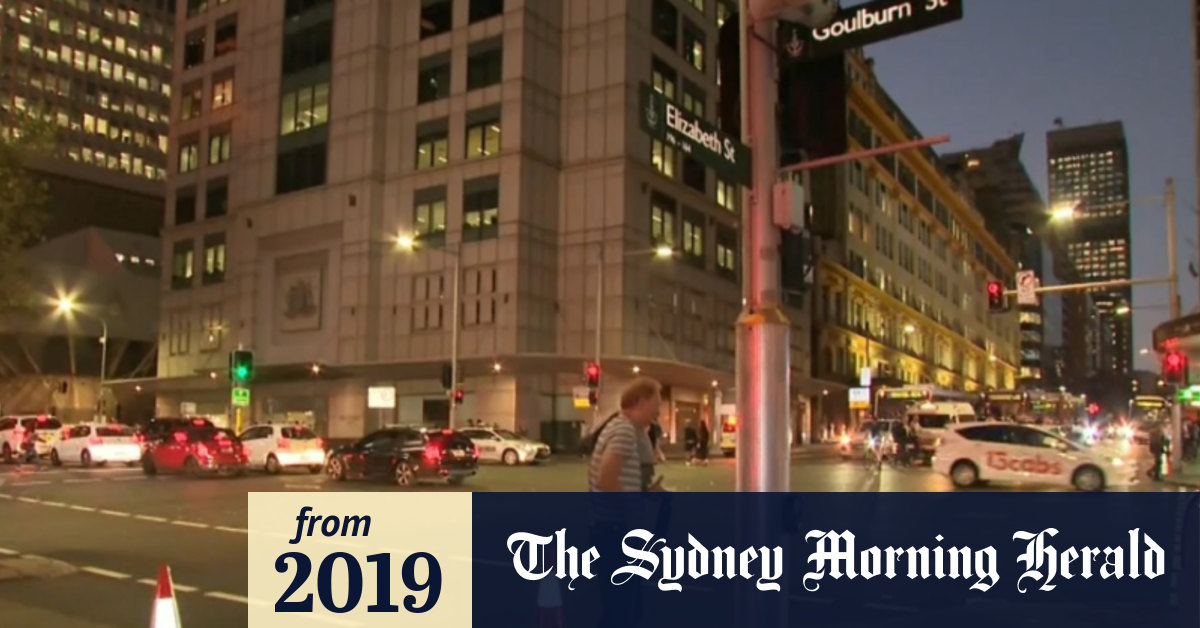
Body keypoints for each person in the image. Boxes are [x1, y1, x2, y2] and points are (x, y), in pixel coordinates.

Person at [586, 378, 666, 628]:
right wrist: (631, 511)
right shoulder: (624, 431)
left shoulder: (623, 428)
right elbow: (607, 478)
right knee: (621, 610)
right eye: (656, 404)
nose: (658, 411)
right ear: (640, 401)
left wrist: (645, 492)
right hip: (615, 530)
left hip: (611, 528)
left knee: (622, 607)